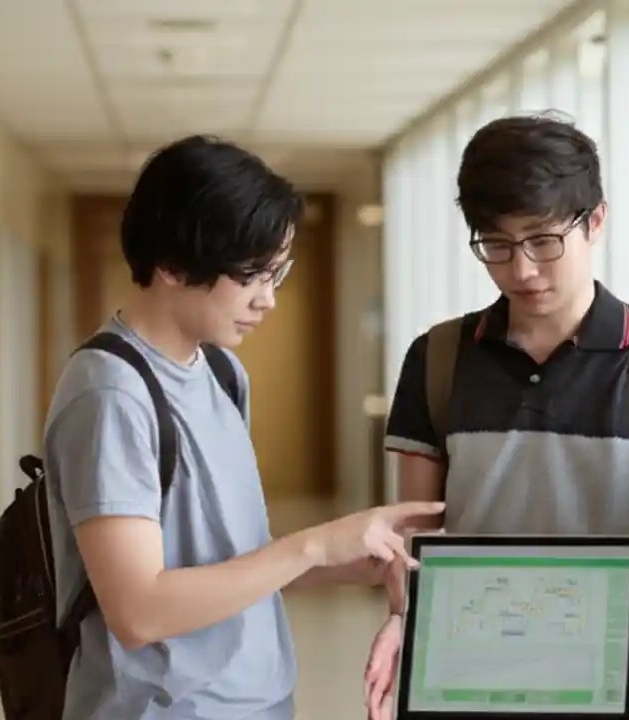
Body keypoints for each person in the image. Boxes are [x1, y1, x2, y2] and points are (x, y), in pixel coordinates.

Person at [43, 135, 444, 719]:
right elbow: (140, 612)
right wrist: (310, 544)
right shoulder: (111, 394)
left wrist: (348, 561)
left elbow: (232, 563)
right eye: (252, 274)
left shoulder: (222, 373)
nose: (268, 300)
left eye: (277, 273)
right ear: (174, 264)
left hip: (258, 702)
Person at [363, 114, 629, 719]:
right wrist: (407, 617)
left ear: (596, 222)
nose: (523, 270)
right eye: (498, 246)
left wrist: (626, 614)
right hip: (469, 679)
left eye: (543, 240)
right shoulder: (437, 358)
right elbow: (415, 533)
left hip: (613, 678)